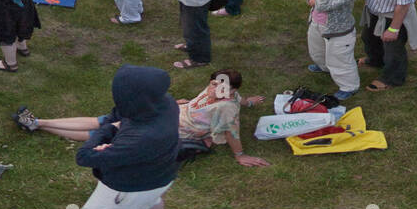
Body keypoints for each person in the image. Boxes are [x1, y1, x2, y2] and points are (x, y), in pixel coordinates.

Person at [45, 65, 182, 209]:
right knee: (152, 199)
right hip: (164, 173)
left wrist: (108, 130)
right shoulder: (167, 103)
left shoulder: (141, 137)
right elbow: (122, 118)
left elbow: (84, 157)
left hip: (130, 184)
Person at [19, 69, 268, 169]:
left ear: (232, 91)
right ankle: (40, 122)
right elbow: (237, 100)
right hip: (167, 112)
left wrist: (240, 155)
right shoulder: (228, 94)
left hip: (170, 128)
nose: (214, 90)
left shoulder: (226, 108)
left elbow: (231, 131)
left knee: (110, 130)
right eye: (212, 84)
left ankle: (39, 124)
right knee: (104, 120)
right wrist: (249, 102)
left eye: (221, 88)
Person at [308, 0, 362, 105]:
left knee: (340, 60)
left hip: (338, 31)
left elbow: (323, 5)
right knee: (316, 49)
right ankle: (323, 66)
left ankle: (349, 86)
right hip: (318, 22)